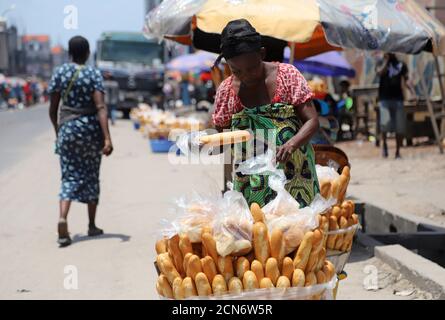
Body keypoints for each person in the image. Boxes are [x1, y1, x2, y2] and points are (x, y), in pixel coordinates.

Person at [212, 19, 320, 208]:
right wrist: (203, 144)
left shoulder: (288, 76)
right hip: (251, 185)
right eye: (236, 71)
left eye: (252, 68)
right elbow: (223, 139)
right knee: (256, 233)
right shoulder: (226, 91)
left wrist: (291, 144)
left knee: (297, 229)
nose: (246, 76)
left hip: (295, 178)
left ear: (262, 53)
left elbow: (312, 121)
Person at [48, 36, 113, 247]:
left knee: (68, 176)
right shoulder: (93, 73)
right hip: (90, 132)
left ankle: (63, 218)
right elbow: (101, 107)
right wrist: (107, 138)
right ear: (87, 53)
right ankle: (92, 225)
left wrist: (59, 131)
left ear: (69, 53)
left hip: (67, 129)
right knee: (91, 176)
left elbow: (53, 108)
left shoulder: (60, 72)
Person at [376, 53, 413, 158]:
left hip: (398, 99)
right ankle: (385, 146)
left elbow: (406, 79)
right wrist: (386, 61)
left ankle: (397, 151)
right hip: (384, 99)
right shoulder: (380, 62)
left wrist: (413, 92)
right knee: (385, 124)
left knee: (399, 127)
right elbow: (379, 73)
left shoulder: (401, 64)